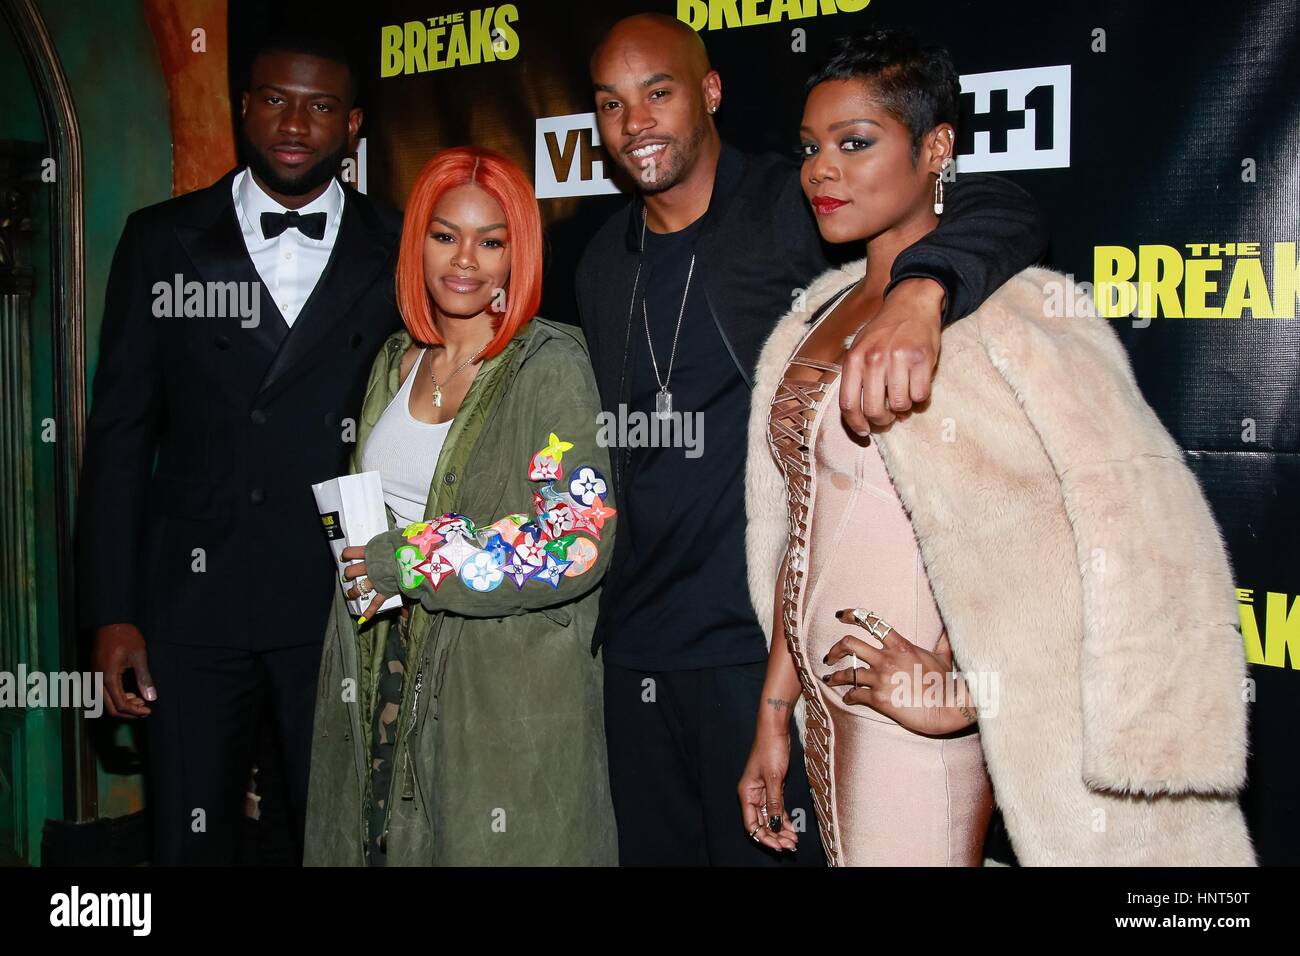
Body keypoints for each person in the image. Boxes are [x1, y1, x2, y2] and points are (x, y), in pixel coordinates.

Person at [744, 29, 1254, 866]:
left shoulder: (1015, 314)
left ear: (936, 147)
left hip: (916, 738)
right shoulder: (814, 315)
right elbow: (801, 535)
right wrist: (772, 717)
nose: (819, 170)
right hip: (827, 719)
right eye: (810, 148)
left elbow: (1129, 526)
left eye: (856, 143)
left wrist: (971, 692)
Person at [576, 13, 1048, 865]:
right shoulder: (599, 257)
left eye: (659, 92)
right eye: (611, 104)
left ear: (710, 92)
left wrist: (922, 289)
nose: (635, 123)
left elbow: (995, 203)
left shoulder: (797, 204)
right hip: (636, 644)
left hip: (758, 643)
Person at [79, 28, 401, 864]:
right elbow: (119, 436)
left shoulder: (401, 245)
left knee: (332, 836)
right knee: (190, 833)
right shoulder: (161, 239)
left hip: (340, 598)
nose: (295, 122)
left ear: (353, 123)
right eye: (275, 99)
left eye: (321, 105)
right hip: (191, 602)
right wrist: (111, 612)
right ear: (243, 107)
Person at [303, 147, 618, 866]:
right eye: (446, 235)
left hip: (495, 697)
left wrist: (407, 559)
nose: (466, 259)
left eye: (492, 240)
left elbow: (575, 538)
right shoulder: (397, 359)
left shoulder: (550, 365)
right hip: (379, 670)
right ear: (418, 243)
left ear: (519, 254)